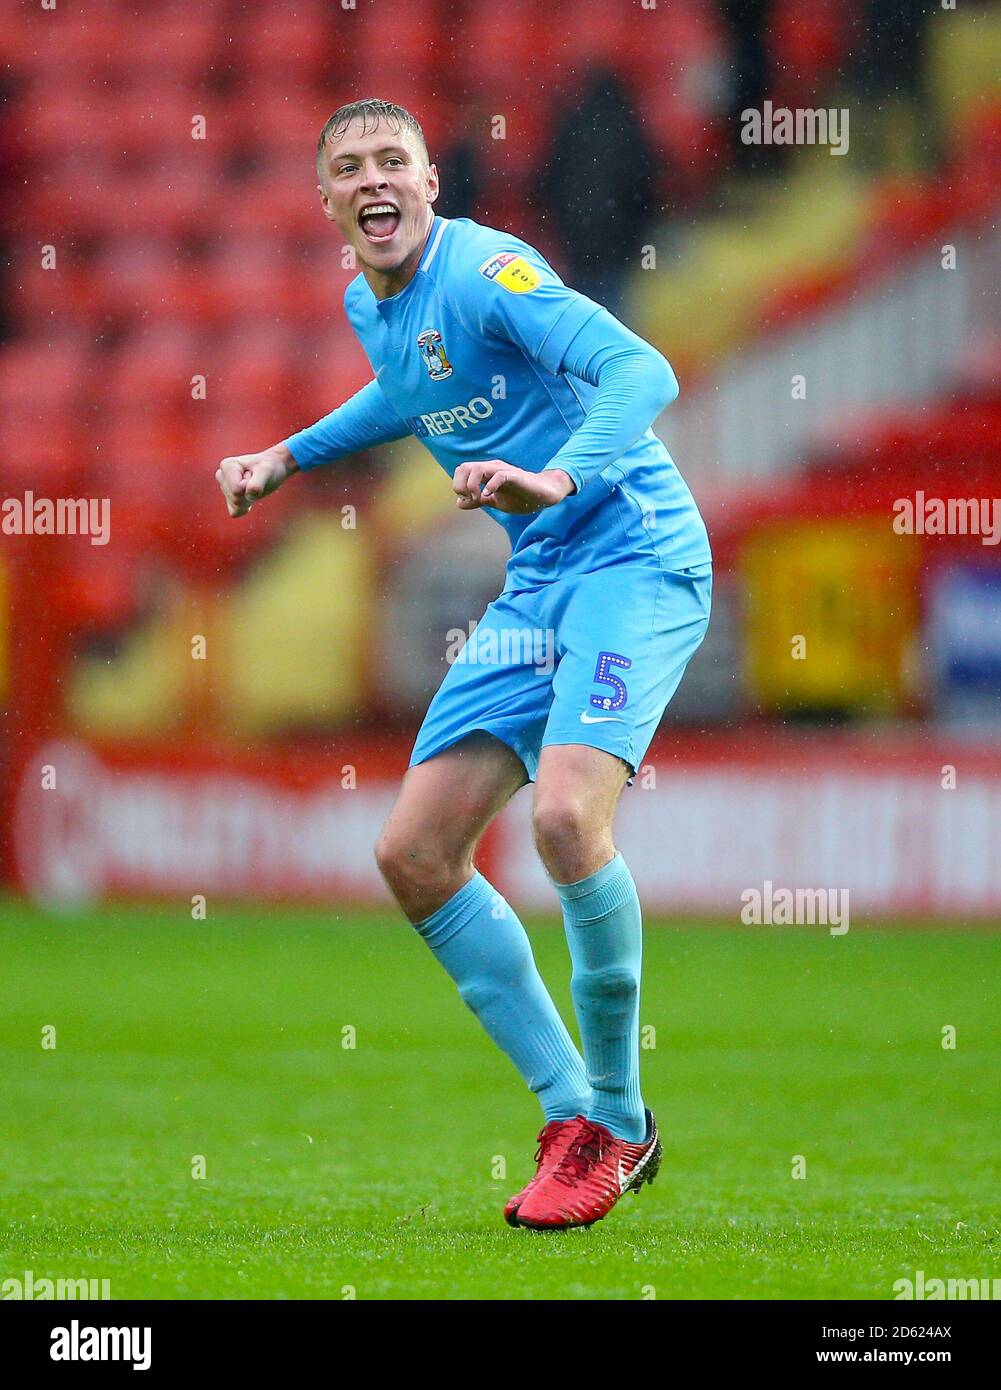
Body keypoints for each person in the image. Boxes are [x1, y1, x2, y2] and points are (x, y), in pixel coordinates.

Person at [215, 99, 712, 1231]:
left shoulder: (490, 270)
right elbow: (413, 389)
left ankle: (620, 1127)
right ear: (328, 203)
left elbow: (642, 373)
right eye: (349, 166)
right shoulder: (367, 300)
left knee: (563, 821)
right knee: (415, 851)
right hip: (540, 579)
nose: (373, 177)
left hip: (630, 547)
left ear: (432, 181)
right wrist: (288, 455)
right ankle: (567, 1111)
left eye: (393, 158)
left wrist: (555, 482)